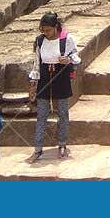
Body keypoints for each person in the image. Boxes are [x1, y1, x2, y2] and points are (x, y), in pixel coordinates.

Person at [28, 11, 79, 162]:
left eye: (49, 30)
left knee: (62, 113)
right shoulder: (40, 41)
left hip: (61, 79)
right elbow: (37, 63)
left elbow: (76, 58)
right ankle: (37, 149)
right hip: (45, 79)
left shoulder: (67, 39)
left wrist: (68, 59)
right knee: (41, 115)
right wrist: (33, 81)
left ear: (56, 27)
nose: (46, 33)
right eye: (44, 31)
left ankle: (62, 144)